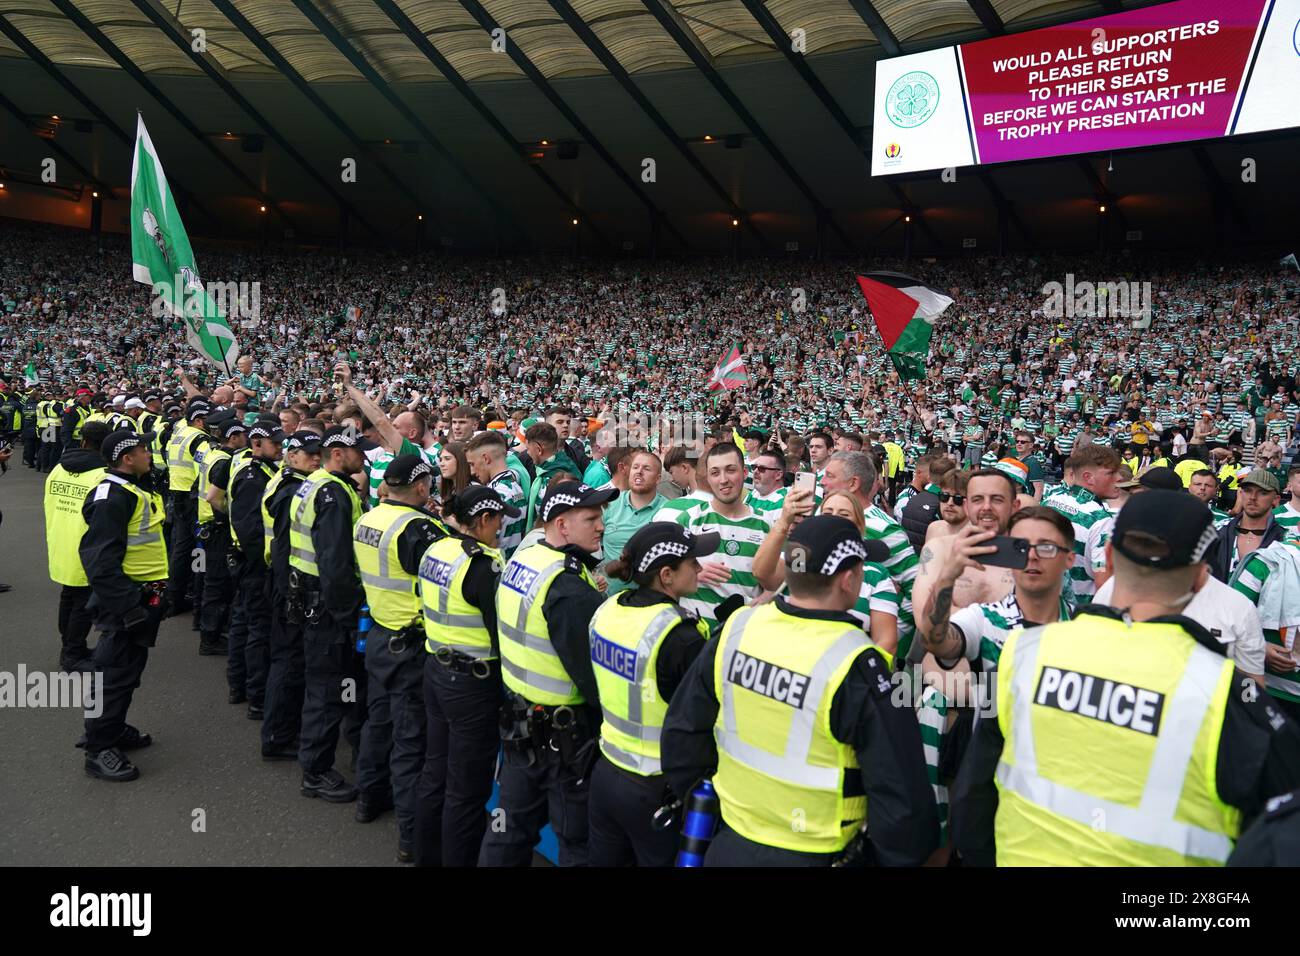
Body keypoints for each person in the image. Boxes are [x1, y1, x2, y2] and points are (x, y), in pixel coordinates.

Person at [951, 490, 1300, 866]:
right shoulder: (1224, 691)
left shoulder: (1025, 654)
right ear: (1200, 580)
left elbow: (973, 803)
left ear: (1111, 558)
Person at [661, 514, 939, 865]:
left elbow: (681, 733)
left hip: (729, 841)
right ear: (849, 579)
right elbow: (907, 807)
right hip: (818, 853)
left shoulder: (739, 628)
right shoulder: (856, 662)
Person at [479, 480, 617, 866]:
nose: (601, 526)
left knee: (509, 828)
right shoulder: (568, 587)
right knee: (577, 842)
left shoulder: (527, 559)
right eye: (591, 518)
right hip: (564, 740)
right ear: (561, 525)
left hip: (521, 724)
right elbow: (593, 676)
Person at [586, 522, 716, 866]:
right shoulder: (679, 635)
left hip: (606, 772)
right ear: (667, 575)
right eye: (693, 562)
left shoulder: (609, 608)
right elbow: (707, 716)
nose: (700, 568)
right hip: (655, 787)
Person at [414, 484, 518, 867]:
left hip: (436, 669)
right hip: (473, 684)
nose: (501, 527)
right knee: (467, 789)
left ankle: (422, 853)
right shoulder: (484, 565)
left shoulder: (438, 548)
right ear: (484, 520)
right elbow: (502, 633)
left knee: (435, 770)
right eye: (498, 520)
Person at [352, 454, 448, 862]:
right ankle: (411, 836)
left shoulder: (369, 518)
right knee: (411, 741)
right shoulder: (418, 529)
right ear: (422, 487)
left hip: (379, 634)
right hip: (411, 643)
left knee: (379, 722)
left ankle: (368, 800)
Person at [78, 428, 169, 781]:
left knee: (127, 672)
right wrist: (129, 607)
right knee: (111, 675)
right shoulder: (111, 497)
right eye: (144, 450)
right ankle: (98, 748)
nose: (150, 454)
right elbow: (99, 561)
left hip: (141, 594)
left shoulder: (129, 488)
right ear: (127, 458)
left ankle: (112, 728)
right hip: (126, 599)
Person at [288, 425, 367, 802]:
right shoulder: (333, 493)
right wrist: (348, 613)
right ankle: (316, 771)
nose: (363, 457)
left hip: (308, 597)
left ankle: (324, 758)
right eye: (357, 452)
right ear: (338, 452)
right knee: (328, 688)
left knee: (329, 685)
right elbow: (334, 562)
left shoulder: (315, 482)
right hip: (326, 604)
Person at [919, 506, 1075, 675]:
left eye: (1046, 547)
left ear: (1070, 559)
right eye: (1021, 547)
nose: (1031, 556)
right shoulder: (984, 620)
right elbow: (934, 642)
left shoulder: (1084, 627)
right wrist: (946, 578)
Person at [259, 430, 321, 761]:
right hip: (288, 587)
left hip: (284, 584)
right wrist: (291, 594)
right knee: (288, 661)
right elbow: (284, 547)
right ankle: (278, 735)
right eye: (309, 453)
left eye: (318, 453)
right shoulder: (290, 490)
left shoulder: (288, 482)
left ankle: (280, 730)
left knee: (287, 659)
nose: (316, 458)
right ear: (291, 455)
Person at [673, 443, 768, 630]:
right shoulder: (689, 520)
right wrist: (692, 572)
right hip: (694, 635)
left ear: (744, 472)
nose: (723, 479)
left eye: (730, 470)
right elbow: (662, 575)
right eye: (715, 473)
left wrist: (770, 595)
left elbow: (785, 580)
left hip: (743, 636)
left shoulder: (767, 524)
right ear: (708, 478)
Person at [43, 420, 111, 672]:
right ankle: (72, 654)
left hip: (61, 540)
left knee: (68, 597)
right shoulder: (101, 475)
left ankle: (70, 646)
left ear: (82, 440)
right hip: (86, 547)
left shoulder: (58, 468)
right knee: (82, 604)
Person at [226, 420, 282, 719]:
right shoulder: (252, 476)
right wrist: (264, 563)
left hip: (251, 562)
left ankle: (241, 684)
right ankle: (255, 695)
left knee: (246, 621)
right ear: (257, 443)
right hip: (254, 564)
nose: (281, 448)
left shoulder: (260, 470)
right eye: (276, 443)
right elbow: (249, 528)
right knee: (256, 628)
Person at [1042, 443, 1121, 606]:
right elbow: (1103, 580)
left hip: (1045, 606)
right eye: (1111, 473)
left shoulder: (1051, 499)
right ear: (1088, 477)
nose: (1119, 478)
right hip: (1078, 612)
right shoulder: (1101, 520)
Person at [195, 417, 249, 658]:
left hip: (206, 525)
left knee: (211, 582)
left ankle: (209, 629)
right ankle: (210, 637)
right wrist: (230, 516)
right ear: (233, 437)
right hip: (217, 528)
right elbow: (214, 497)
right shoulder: (225, 460)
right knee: (217, 585)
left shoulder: (212, 453)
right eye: (243, 435)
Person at [163, 398, 212, 617]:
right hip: (193, 497)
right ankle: (192, 593)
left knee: (181, 547)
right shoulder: (200, 439)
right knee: (197, 547)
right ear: (199, 420)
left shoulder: (180, 434)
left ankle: (174, 595)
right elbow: (205, 469)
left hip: (178, 493)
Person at [600, 449, 666, 596]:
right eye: (635, 467)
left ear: (658, 478)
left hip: (650, 600)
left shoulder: (668, 511)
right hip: (610, 599)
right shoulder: (609, 504)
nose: (639, 472)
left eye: (646, 468)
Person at [1209, 468, 1285, 582]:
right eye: (1248, 490)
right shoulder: (1217, 531)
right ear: (1240, 493)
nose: (1253, 497)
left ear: (1275, 499)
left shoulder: (1285, 541)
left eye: (1263, 492)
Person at [464, 429, 527, 556]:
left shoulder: (496, 495)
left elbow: (486, 543)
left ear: (486, 459)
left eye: (472, 464)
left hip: (498, 566)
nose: (471, 471)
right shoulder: (515, 486)